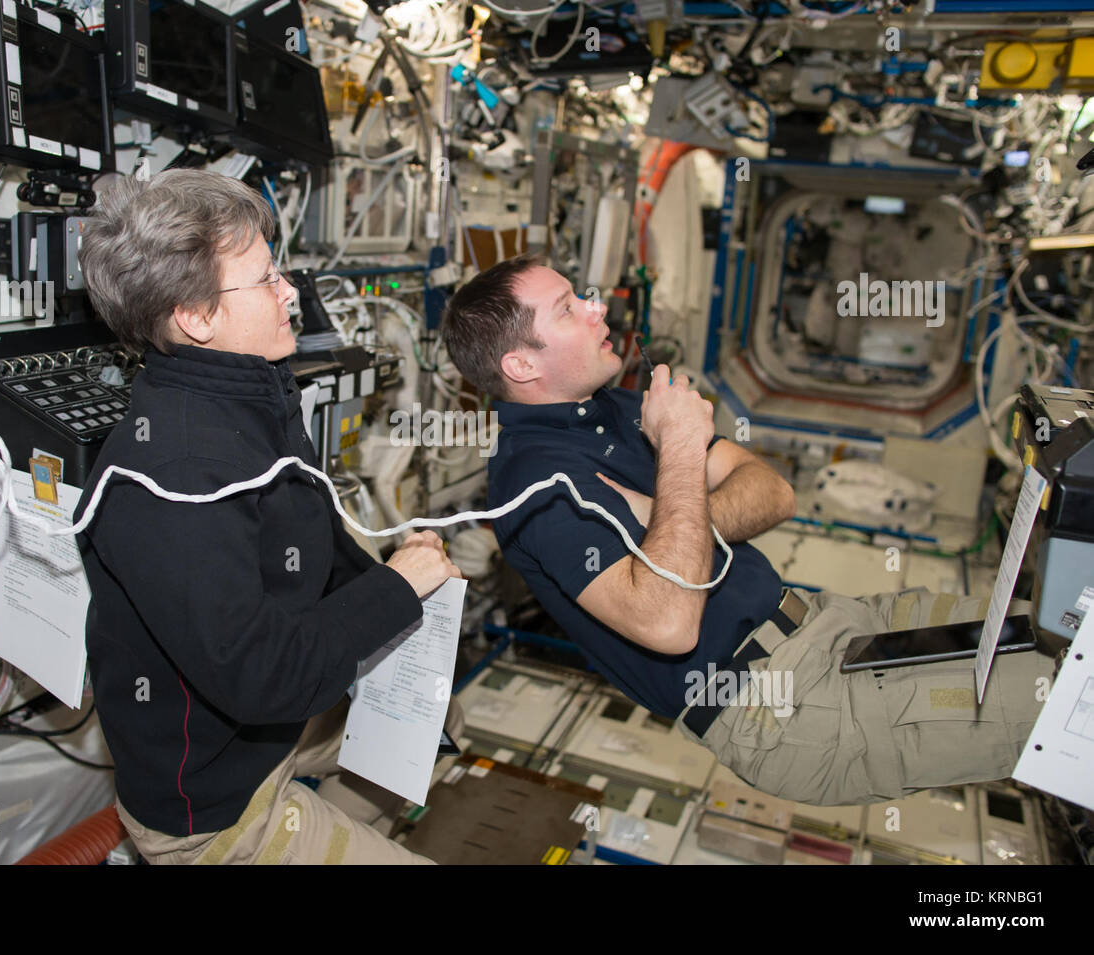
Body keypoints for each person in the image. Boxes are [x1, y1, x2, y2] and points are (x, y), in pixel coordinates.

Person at [440, 252, 1051, 807]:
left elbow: (773, 491)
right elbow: (668, 622)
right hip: (779, 704)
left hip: (829, 621)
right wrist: (680, 447)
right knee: (1065, 700)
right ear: (520, 363)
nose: (600, 306)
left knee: (1049, 633)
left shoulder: (619, 407)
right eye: (570, 308)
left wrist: (668, 523)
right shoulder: (533, 484)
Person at [74, 169, 461, 863]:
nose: (290, 293)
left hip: (266, 731)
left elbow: (314, 543)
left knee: (437, 712)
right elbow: (262, 675)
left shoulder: (251, 397)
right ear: (197, 316)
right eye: (265, 279)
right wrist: (397, 588)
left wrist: (390, 583)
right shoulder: (174, 478)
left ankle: (341, 824)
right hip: (216, 805)